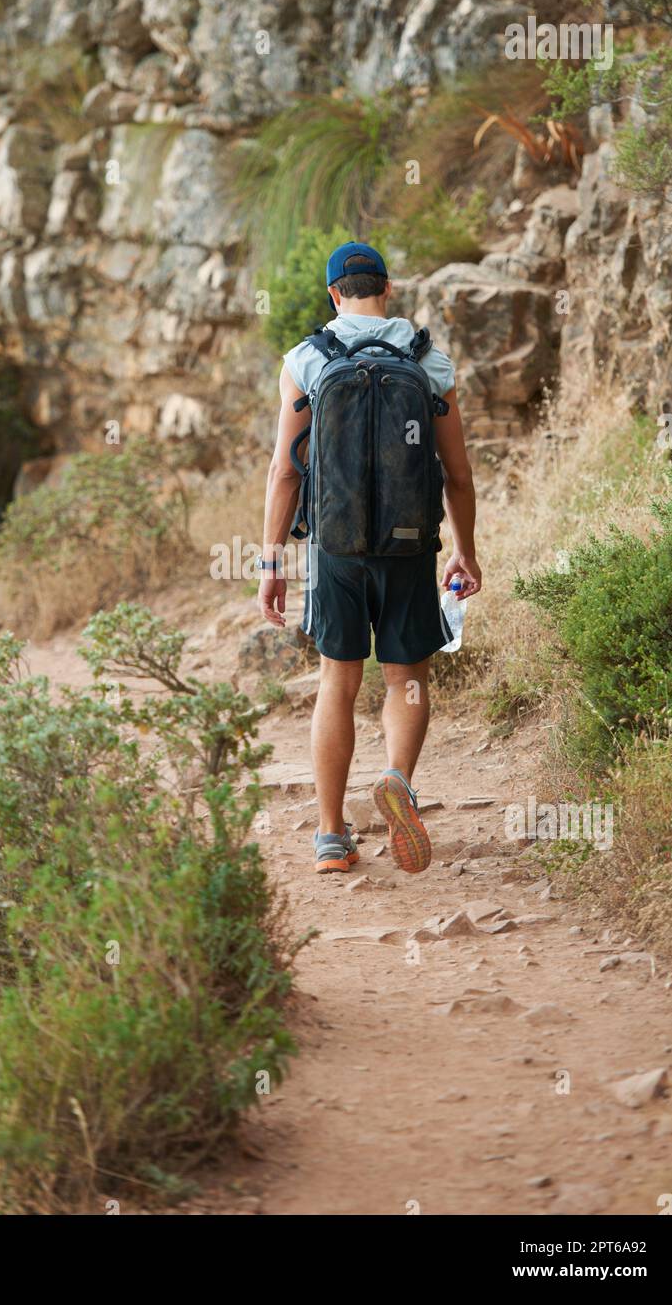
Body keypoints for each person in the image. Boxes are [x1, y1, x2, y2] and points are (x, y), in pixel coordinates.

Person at [257, 241, 482, 875]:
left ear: (334, 294)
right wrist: (463, 549)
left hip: (335, 549)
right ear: (387, 289)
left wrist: (270, 562)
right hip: (410, 547)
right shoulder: (428, 362)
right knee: (406, 679)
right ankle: (397, 781)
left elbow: (284, 472)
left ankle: (331, 837)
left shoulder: (307, 360)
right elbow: (458, 476)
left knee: (338, 681)